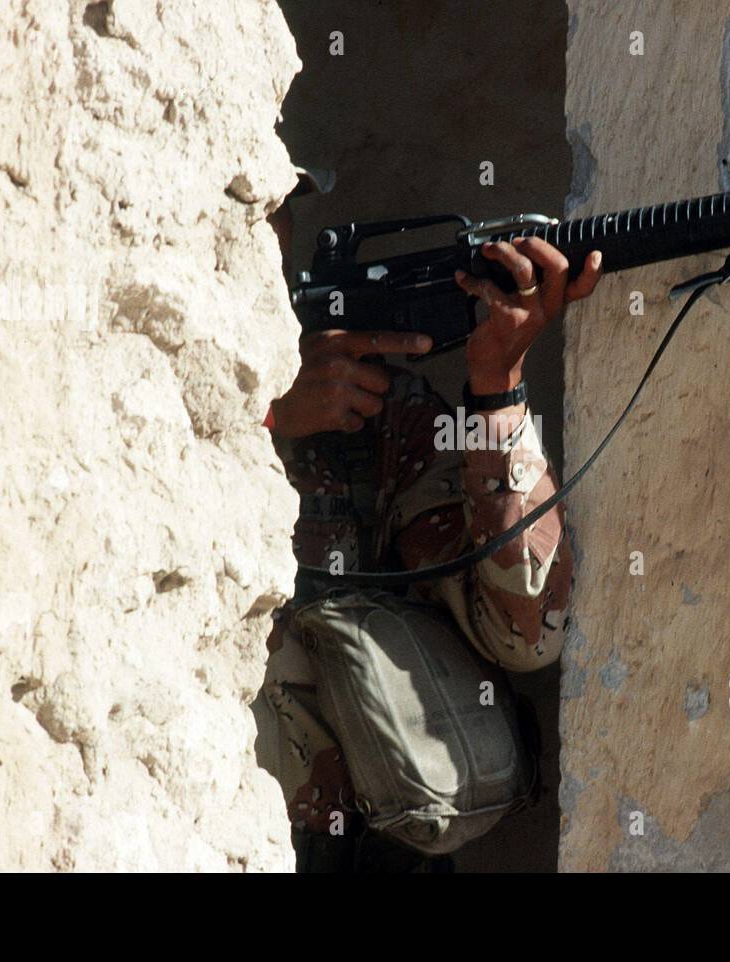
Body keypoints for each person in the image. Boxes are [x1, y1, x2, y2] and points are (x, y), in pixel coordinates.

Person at [258, 168, 603, 870]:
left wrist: (495, 388)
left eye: (276, 206)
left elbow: (529, 629)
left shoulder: (370, 414)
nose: (265, 229)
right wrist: (262, 419)